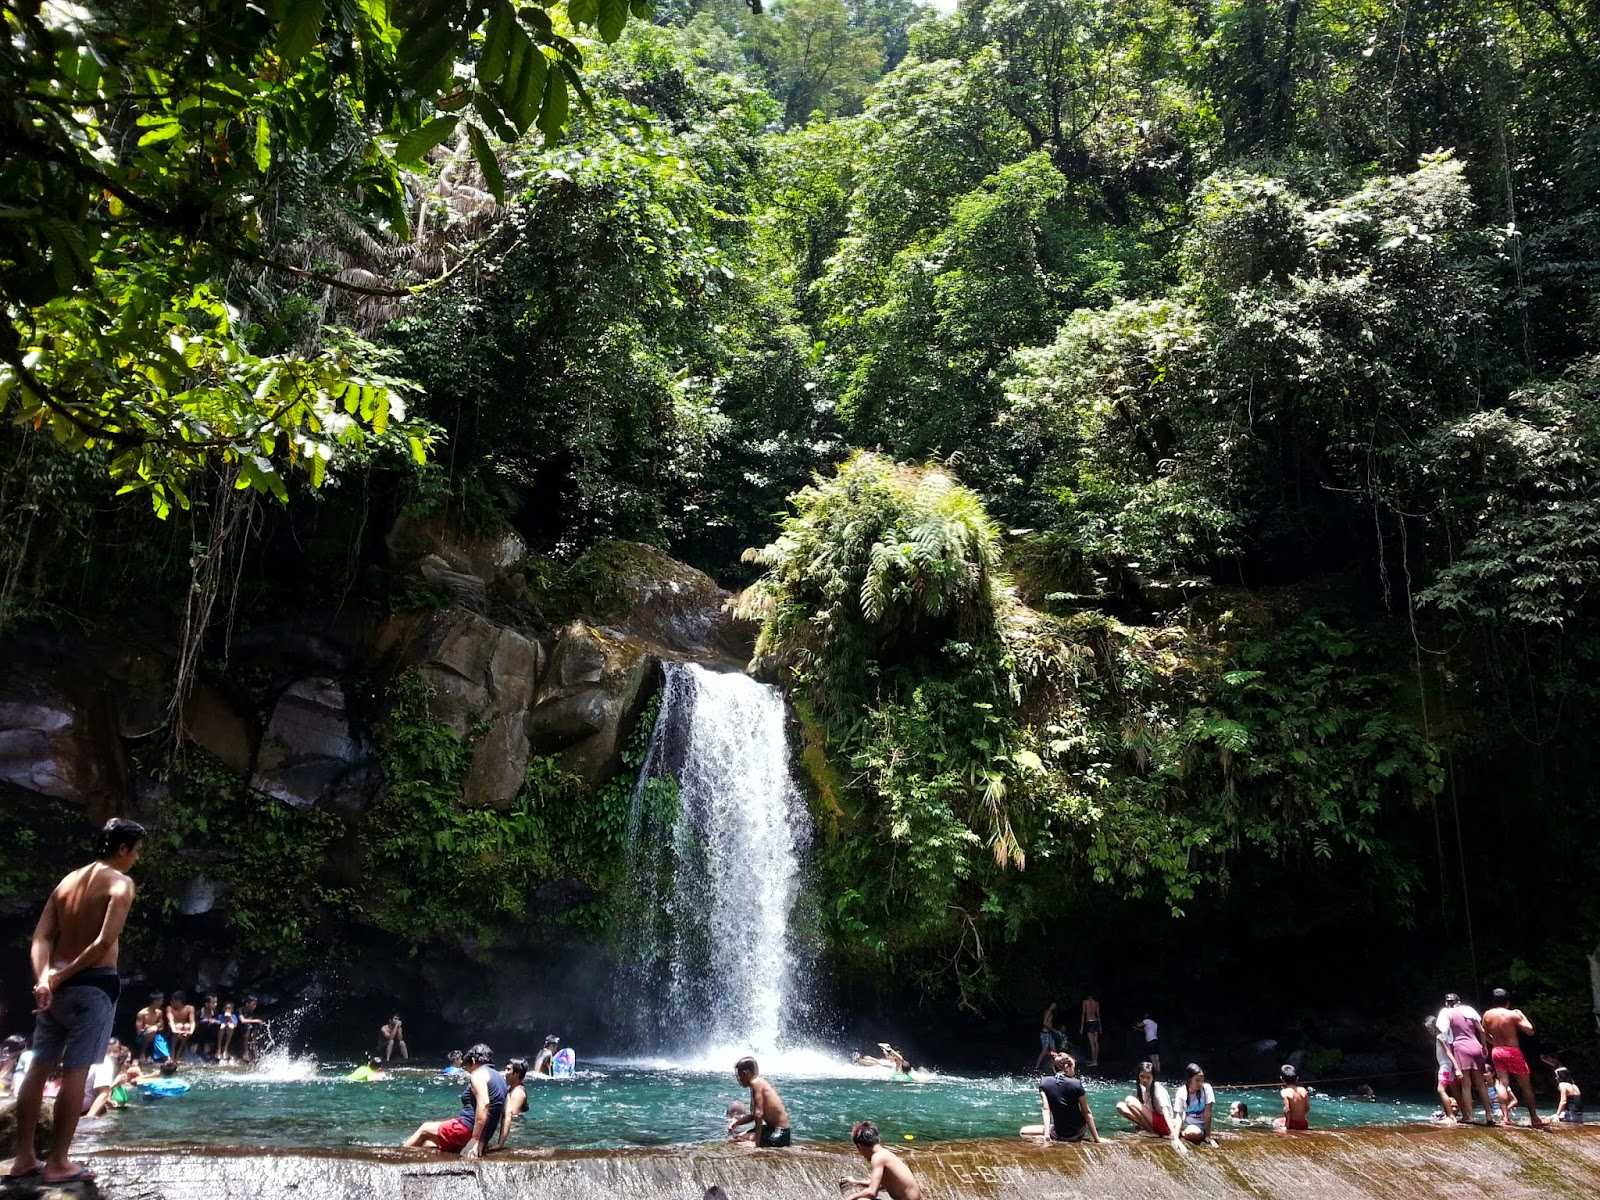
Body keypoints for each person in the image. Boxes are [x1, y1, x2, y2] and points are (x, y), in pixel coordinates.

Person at [6, 816, 143, 1186]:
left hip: (55, 993)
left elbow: (40, 940)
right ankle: (58, 1163)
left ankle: (24, 1157)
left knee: (37, 1069)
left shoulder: (66, 882)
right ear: (122, 848)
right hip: (93, 988)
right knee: (75, 1072)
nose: (136, 858)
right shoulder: (120, 883)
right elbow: (102, 943)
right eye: (136, 851)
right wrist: (61, 977)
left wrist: (45, 979)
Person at [402, 1043, 506, 1158]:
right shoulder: (501, 1079)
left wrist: (475, 1140)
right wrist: (494, 1142)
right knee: (428, 1144)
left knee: (424, 1129)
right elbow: (506, 1114)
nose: (468, 1071)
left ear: (472, 1060)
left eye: (467, 1066)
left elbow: (484, 1104)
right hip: (483, 1135)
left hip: (466, 1130)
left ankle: (398, 1159)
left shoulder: (479, 1074)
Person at [1482, 988, 1544, 1127]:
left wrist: (1493, 1042)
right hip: (1513, 1051)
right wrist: (1521, 1015)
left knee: (1503, 1084)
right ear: (1508, 1002)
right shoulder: (1512, 1014)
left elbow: (1483, 1032)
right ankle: (1534, 1118)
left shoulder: (1487, 1014)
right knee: (1526, 1086)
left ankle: (1505, 1118)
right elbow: (1529, 1031)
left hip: (1497, 1051)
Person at [1437, 992, 1494, 1125]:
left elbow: (1444, 1033)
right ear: (1459, 1001)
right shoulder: (1469, 1011)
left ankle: (1469, 1116)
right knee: (1481, 1085)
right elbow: (1482, 1031)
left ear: (1446, 1003)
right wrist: (1484, 1046)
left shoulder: (1446, 1013)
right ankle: (1489, 1116)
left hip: (1460, 1048)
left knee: (1466, 1085)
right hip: (1476, 1046)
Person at [1024, 1052, 1100, 1143]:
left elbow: (1046, 1110)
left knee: (1023, 1132)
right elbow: (1086, 1112)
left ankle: (1052, 1133)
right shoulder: (1076, 1084)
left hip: (1059, 1134)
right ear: (1067, 1067)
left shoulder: (1044, 1082)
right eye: (1073, 1068)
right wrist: (1097, 1139)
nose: (1074, 1072)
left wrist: (1047, 1135)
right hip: (1079, 1131)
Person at [840, 1120, 923, 1200]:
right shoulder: (886, 1154)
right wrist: (855, 1182)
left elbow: (872, 1192)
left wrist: (850, 1198)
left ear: (860, 1147)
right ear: (877, 1140)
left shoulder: (877, 1158)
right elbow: (883, 1185)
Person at [730, 1056, 791, 1147]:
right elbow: (754, 1114)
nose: (738, 1079)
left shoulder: (756, 1083)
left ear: (745, 1073)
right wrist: (737, 1122)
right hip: (772, 1129)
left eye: (739, 1076)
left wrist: (756, 1143)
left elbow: (759, 1114)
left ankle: (757, 1141)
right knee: (738, 1137)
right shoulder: (758, 1083)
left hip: (780, 1133)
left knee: (739, 1141)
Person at [1115, 1060, 1172, 1138]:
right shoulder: (1142, 1088)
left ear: (1153, 1077)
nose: (1145, 1080)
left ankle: (1150, 1131)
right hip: (1154, 1121)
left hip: (1164, 1124)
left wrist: (1175, 1137)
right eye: (1142, 1076)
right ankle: (1148, 1129)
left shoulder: (1158, 1089)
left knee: (1129, 1099)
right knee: (1120, 1106)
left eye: (1148, 1077)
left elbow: (1166, 1112)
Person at [1425, 1015, 1460, 1121]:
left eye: (1430, 1029)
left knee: (1440, 1089)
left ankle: (1450, 1115)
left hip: (1446, 1066)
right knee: (1455, 1091)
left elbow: (1448, 1052)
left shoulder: (1440, 1037)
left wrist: (1456, 1067)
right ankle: (1465, 1113)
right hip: (1449, 1067)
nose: (1429, 1031)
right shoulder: (1446, 1036)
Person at [495, 1058, 528, 1150]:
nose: (505, 1072)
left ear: (517, 1073)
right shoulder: (511, 1088)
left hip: (514, 1130)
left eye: (509, 1069)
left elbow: (512, 1115)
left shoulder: (518, 1093)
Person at [1178, 1062, 1215, 1144]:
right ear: (1189, 1079)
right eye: (1197, 1080)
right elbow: (1179, 1115)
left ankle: (1183, 1133)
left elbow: (1207, 1114)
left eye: (1202, 1080)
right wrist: (1175, 1137)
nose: (1200, 1083)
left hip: (1199, 1125)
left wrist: (1207, 1136)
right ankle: (1181, 1132)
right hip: (1185, 1122)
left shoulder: (1207, 1089)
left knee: (1193, 1133)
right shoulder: (1181, 1091)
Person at [1275, 1064, 1310, 1131]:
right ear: (1297, 1078)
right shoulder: (1303, 1090)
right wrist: (1300, 1117)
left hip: (1292, 1124)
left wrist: (1287, 1126)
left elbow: (1287, 1110)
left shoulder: (1284, 1092)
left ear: (1282, 1079)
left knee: (1276, 1122)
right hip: (1304, 1123)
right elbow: (1307, 1108)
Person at [135, 992, 166, 1064]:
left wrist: (154, 1026)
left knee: (155, 1033)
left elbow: (162, 1027)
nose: (162, 1003)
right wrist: (150, 1029)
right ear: (155, 1001)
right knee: (151, 1031)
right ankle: (142, 1053)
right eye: (161, 1001)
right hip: (142, 1038)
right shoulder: (142, 1013)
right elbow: (139, 1031)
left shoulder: (159, 1013)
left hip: (156, 1036)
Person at [166, 991, 196, 1063]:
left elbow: (192, 1021)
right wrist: (174, 1030)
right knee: (179, 1026)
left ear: (179, 1001)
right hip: (173, 1030)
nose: (171, 1002)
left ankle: (178, 1053)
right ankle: (172, 1054)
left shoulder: (190, 1008)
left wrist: (191, 1031)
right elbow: (171, 1020)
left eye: (173, 1000)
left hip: (184, 1031)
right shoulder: (169, 1008)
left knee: (187, 1026)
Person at [238, 995, 267, 1061]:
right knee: (248, 1026)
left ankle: (254, 1047)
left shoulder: (252, 1012)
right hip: (237, 1028)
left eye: (255, 1004)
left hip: (247, 1028)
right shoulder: (240, 1010)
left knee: (256, 1026)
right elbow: (243, 1021)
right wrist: (255, 1020)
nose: (255, 1006)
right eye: (253, 1004)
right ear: (247, 1004)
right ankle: (246, 1052)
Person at [1035, 1002, 1062, 1070]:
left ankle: (1054, 1066)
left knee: (1054, 1050)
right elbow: (1045, 1023)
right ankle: (1036, 1066)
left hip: (1049, 1034)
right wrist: (1055, 1030)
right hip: (1045, 1034)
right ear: (1051, 1004)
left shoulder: (1049, 1012)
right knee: (1044, 1051)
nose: (1055, 1006)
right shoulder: (1048, 1011)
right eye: (1054, 1004)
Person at [195, 994, 221, 1061]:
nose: (215, 1004)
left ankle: (213, 1047)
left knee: (217, 1023)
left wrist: (213, 1021)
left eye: (216, 1003)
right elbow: (196, 1025)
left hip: (211, 1034)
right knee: (205, 1022)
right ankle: (200, 1047)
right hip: (199, 1034)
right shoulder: (199, 1013)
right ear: (207, 1004)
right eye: (213, 1003)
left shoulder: (215, 1013)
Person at [1080, 995, 1102, 1069]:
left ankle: (1094, 1061)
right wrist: (1100, 1026)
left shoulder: (1085, 1002)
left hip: (1089, 1022)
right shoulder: (1096, 1003)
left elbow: (1083, 1014)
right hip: (1095, 1021)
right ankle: (1095, 1060)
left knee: (1092, 1043)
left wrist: (1082, 1027)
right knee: (1096, 1042)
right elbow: (1098, 1015)